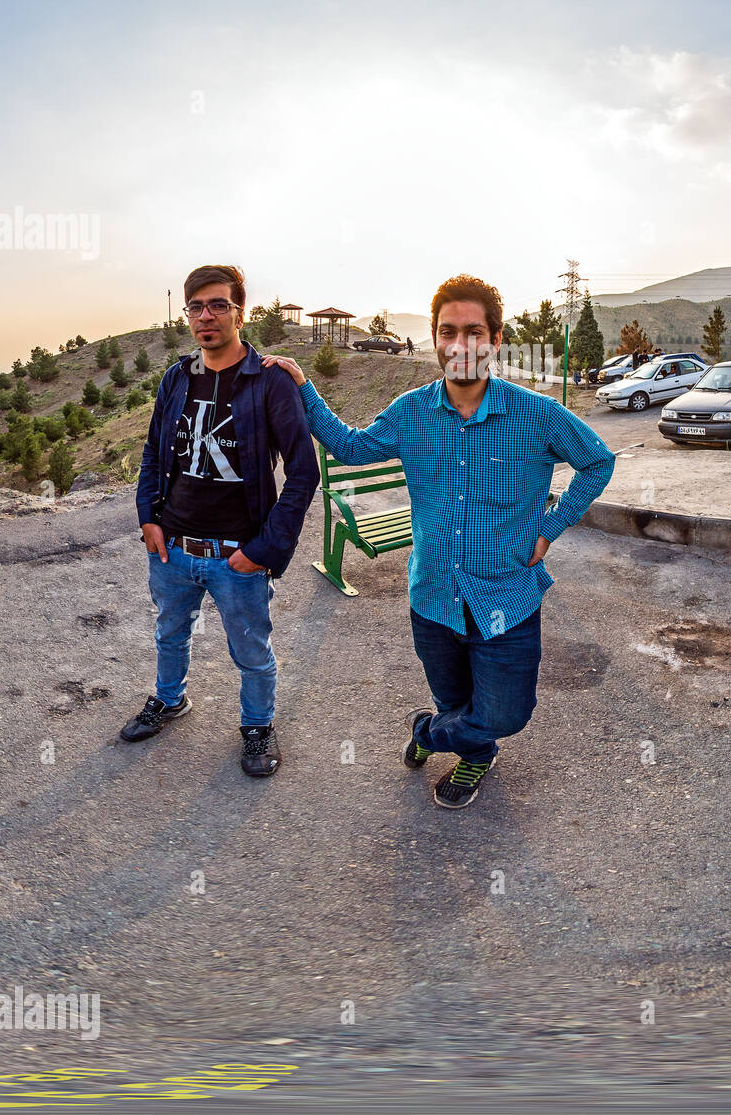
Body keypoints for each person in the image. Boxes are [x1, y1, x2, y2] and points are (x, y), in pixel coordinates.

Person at [263, 275, 617, 810]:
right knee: (455, 697)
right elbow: (351, 447)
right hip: (432, 594)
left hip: (507, 595)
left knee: (506, 712)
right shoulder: (411, 411)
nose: (461, 345)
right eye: (448, 332)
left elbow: (598, 462)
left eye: (474, 332)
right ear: (434, 338)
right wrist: (303, 387)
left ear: (496, 340)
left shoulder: (535, 413)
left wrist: (551, 527)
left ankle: (429, 733)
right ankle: (475, 755)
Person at [122, 264, 321, 778]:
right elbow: (152, 452)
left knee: (252, 650)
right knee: (170, 633)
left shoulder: (270, 381)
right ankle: (170, 700)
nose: (205, 316)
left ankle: (257, 726)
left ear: (240, 311)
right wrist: (149, 519)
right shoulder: (177, 377)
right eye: (196, 306)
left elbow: (303, 473)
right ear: (187, 315)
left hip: (238, 554)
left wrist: (265, 550)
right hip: (173, 548)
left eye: (217, 305)